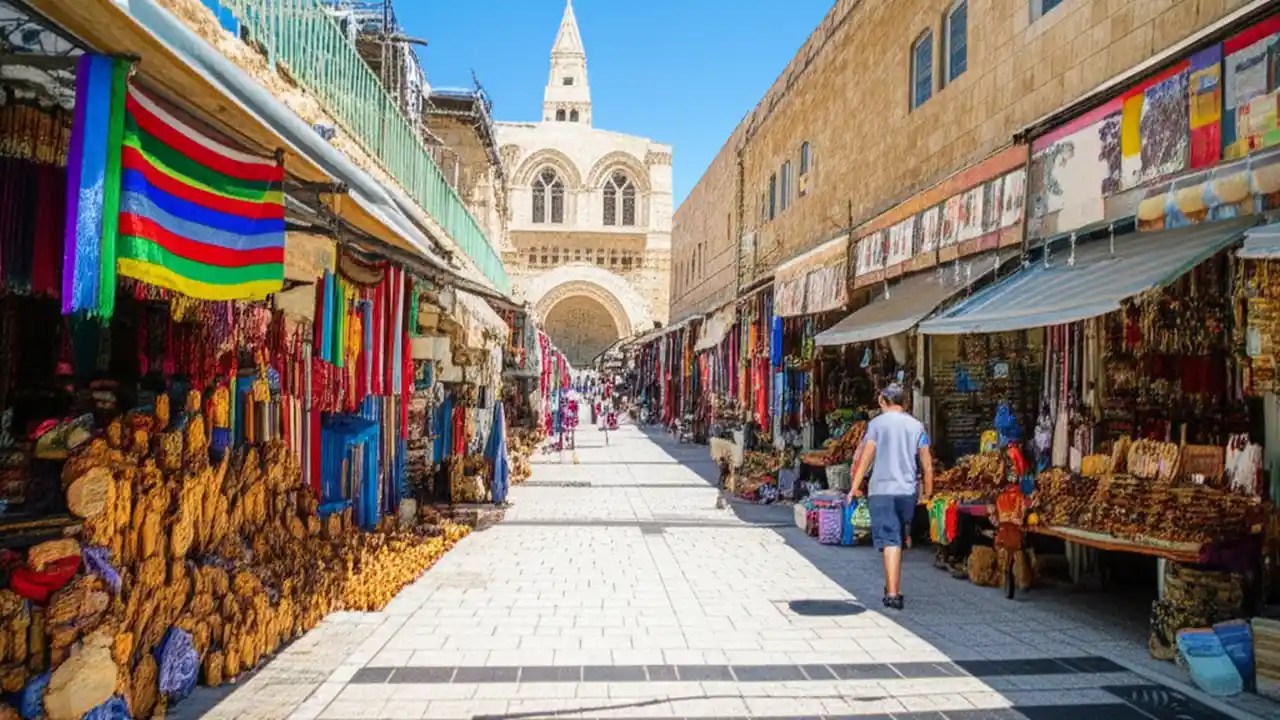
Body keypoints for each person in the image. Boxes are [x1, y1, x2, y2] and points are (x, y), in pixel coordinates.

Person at [848, 382, 932, 610]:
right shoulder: (917, 427)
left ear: (883, 402)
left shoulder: (876, 424)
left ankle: (893, 594)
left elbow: (866, 458)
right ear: (905, 402)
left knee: (890, 541)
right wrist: (929, 490)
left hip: (883, 491)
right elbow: (926, 461)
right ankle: (893, 581)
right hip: (907, 492)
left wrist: (854, 486)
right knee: (896, 537)